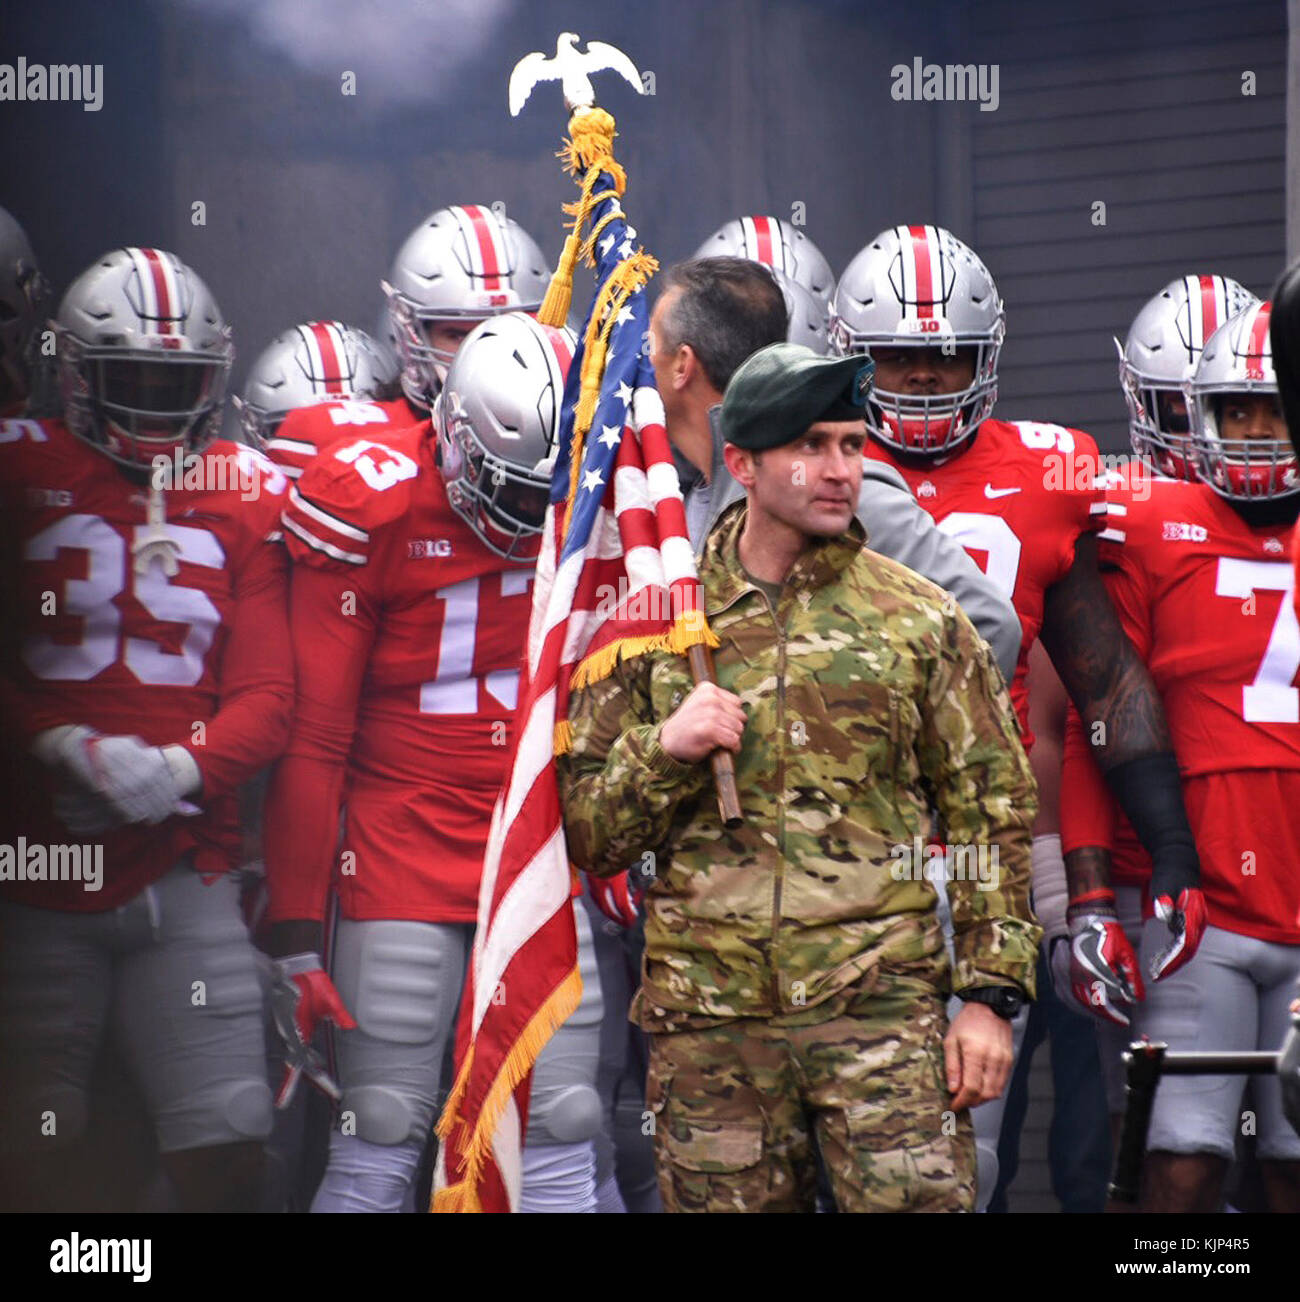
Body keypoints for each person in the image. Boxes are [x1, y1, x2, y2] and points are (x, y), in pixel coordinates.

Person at [560, 343, 1040, 1213]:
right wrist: (664, 751)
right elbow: (591, 834)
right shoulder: (655, 628)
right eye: (811, 446)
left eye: (853, 446)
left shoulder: (919, 620)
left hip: (882, 1024)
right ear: (741, 462)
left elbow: (990, 817)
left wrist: (989, 997)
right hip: (713, 1036)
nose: (839, 471)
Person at [263, 312, 606, 1213]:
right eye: (512, 487)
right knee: (380, 1131)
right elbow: (317, 734)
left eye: (548, 489)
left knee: (567, 1127)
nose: (531, 514)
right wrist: (296, 928)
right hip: (398, 858)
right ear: (452, 435)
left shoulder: (601, 488)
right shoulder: (369, 494)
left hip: (537, 854)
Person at [0, 246, 293, 1212]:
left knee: (231, 1127)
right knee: (38, 1135)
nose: (156, 407)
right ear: (74, 373)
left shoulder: (246, 490)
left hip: (184, 862)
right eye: (131, 380)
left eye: (178, 384)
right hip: (33, 869)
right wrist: (61, 746)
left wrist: (178, 768)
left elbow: (268, 696)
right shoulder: (19, 465)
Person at [1083, 302, 1299, 1212]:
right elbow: (1095, 719)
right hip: (1199, 900)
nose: (1254, 434)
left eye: (1275, 411)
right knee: (1182, 1159)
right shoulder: (1140, 518)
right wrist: (1093, 894)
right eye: (1235, 413)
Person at [1059, 276, 1256, 1115]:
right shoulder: (1119, 514)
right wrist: (1087, 899)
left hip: (1264, 875)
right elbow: (1079, 716)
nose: (1213, 438)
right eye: (1181, 413)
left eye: (1232, 409)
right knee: (1149, 1142)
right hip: (1153, 880)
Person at [648, 256, 1022, 681]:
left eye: (649, 346)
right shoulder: (677, 492)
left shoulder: (841, 490)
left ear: (683, 364)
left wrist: (890, 731)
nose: (640, 365)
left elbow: (988, 623)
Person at [263, 204, 550, 481]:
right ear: (410, 333)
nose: (482, 351)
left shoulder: (577, 440)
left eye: (502, 329)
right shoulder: (338, 442)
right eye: (457, 335)